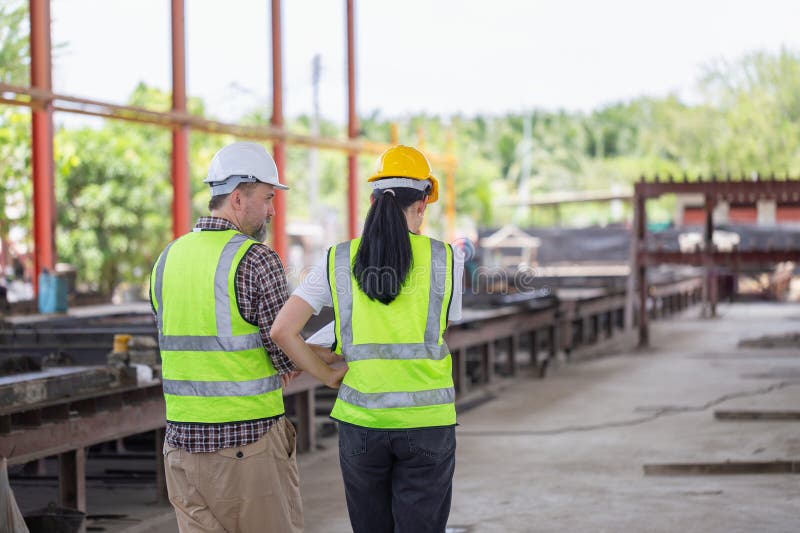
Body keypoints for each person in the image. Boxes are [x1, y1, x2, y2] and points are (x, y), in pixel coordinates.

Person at [150, 141, 344, 532]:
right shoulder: (256, 258)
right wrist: (330, 355)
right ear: (238, 199)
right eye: (268, 198)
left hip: (180, 451)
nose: (273, 209)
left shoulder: (167, 258)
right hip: (246, 447)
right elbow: (284, 352)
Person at [271, 145, 464, 533]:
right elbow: (439, 325)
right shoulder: (447, 259)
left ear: (374, 200)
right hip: (427, 422)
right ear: (422, 204)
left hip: (362, 425)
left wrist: (326, 375)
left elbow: (282, 331)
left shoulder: (337, 259)